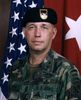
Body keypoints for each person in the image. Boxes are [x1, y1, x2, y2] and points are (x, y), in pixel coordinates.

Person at [7, 8, 81, 100]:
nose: (37, 34)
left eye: (44, 27)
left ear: (53, 33)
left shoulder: (66, 71)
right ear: (24, 32)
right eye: (32, 27)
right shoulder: (15, 67)